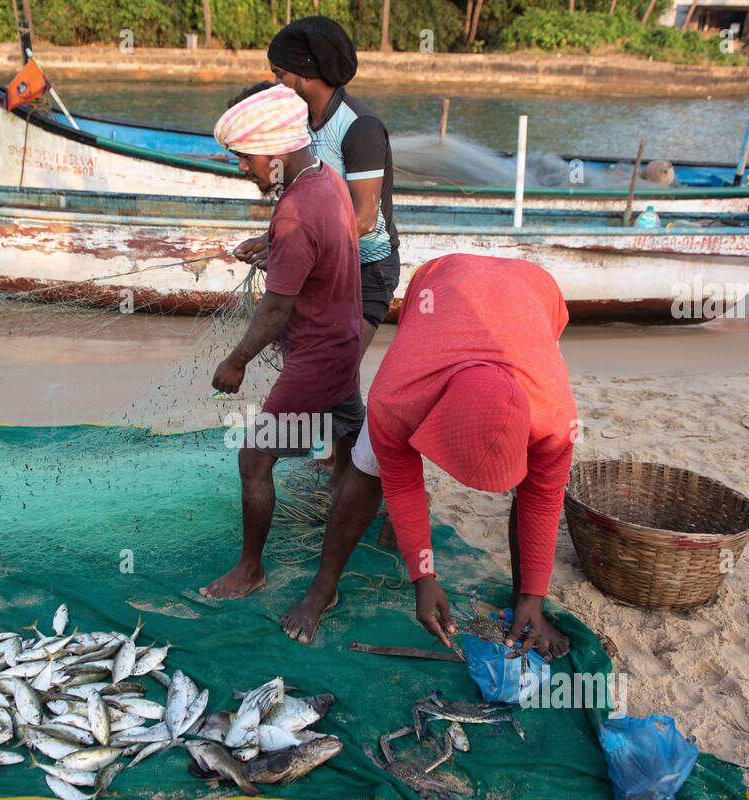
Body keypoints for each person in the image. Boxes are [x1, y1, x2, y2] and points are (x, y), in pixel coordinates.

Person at [280, 254, 578, 660]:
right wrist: (423, 577)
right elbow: (403, 482)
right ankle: (323, 585)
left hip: (534, 294)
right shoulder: (397, 395)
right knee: (369, 469)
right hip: (441, 283)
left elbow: (543, 500)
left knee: (531, 495)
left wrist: (536, 594)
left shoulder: (555, 420)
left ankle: (523, 603)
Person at [199, 84, 365, 601]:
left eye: (245, 158)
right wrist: (272, 246)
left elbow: (276, 309)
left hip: (315, 357)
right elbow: (322, 249)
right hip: (345, 340)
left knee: (254, 457)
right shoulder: (326, 181)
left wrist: (236, 361)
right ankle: (357, 506)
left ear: (273, 150)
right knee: (350, 432)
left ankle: (251, 569)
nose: (242, 169)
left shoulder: (293, 213)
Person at [234, 15, 399, 357]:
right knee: (308, 369)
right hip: (324, 268)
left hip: (367, 271)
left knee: (333, 372)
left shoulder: (359, 127)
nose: (276, 84)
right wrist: (273, 241)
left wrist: (288, 245)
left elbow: (364, 219)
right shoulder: (299, 123)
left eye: (280, 75)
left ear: (307, 73)